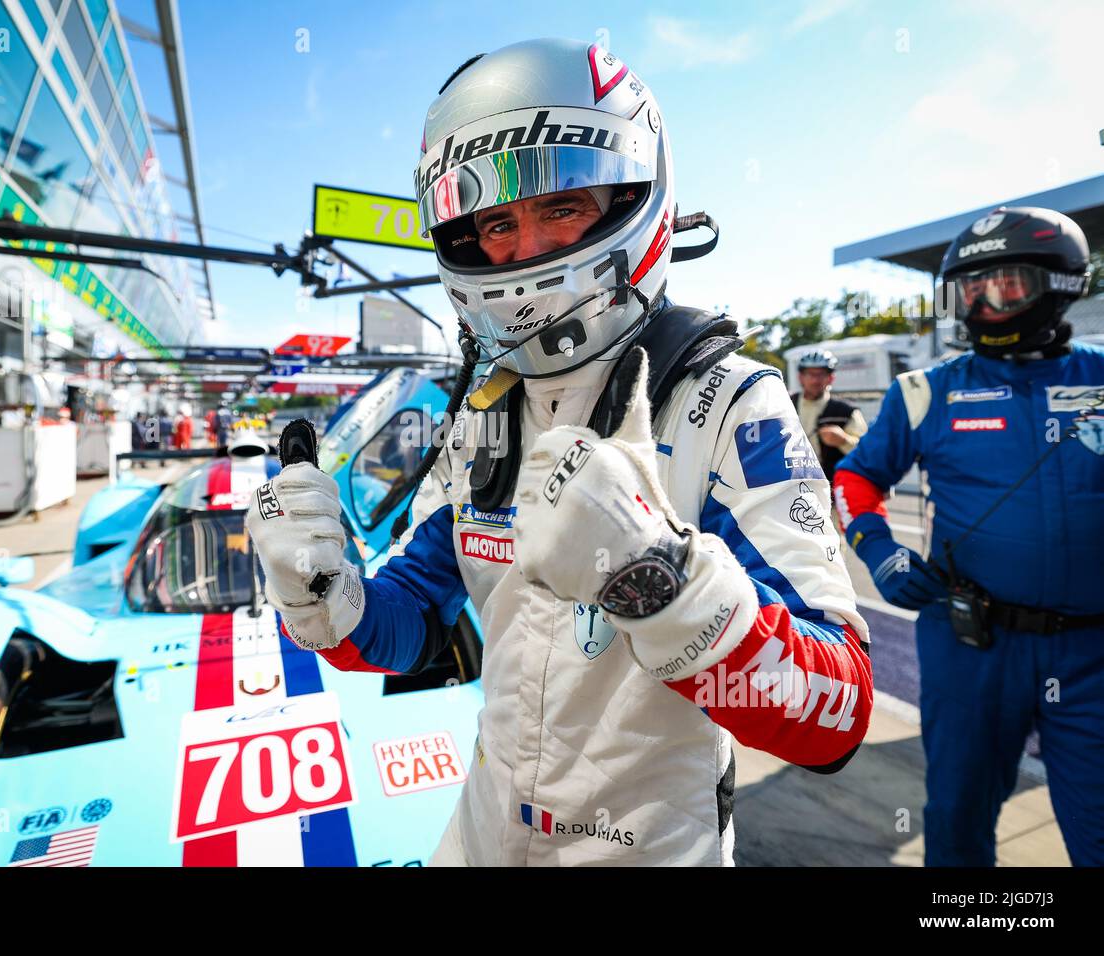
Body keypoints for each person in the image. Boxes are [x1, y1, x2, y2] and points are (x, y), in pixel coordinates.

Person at [248, 39, 872, 866]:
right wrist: (325, 596)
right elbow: (416, 620)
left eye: (562, 205)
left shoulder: (727, 401)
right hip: (483, 831)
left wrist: (659, 580)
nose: (526, 248)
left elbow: (835, 715)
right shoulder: (485, 411)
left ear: (632, 198)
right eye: (496, 221)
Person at [833, 206, 1104, 867]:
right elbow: (856, 477)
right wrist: (880, 550)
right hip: (971, 646)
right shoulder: (925, 392)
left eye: (1005, 286)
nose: (983, 304)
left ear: (1061, 283)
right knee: (957, 820)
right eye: (969, 290)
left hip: (1092, 654)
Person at [790, 350, 868, 481]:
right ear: (800, 377)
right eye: (810, 374)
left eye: (821, 374)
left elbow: (867, 451)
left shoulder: (846, 411)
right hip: (792, 483)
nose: (815, 380)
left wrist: (844, 440)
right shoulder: (786, 404)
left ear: (831, 378)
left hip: (832, 485)